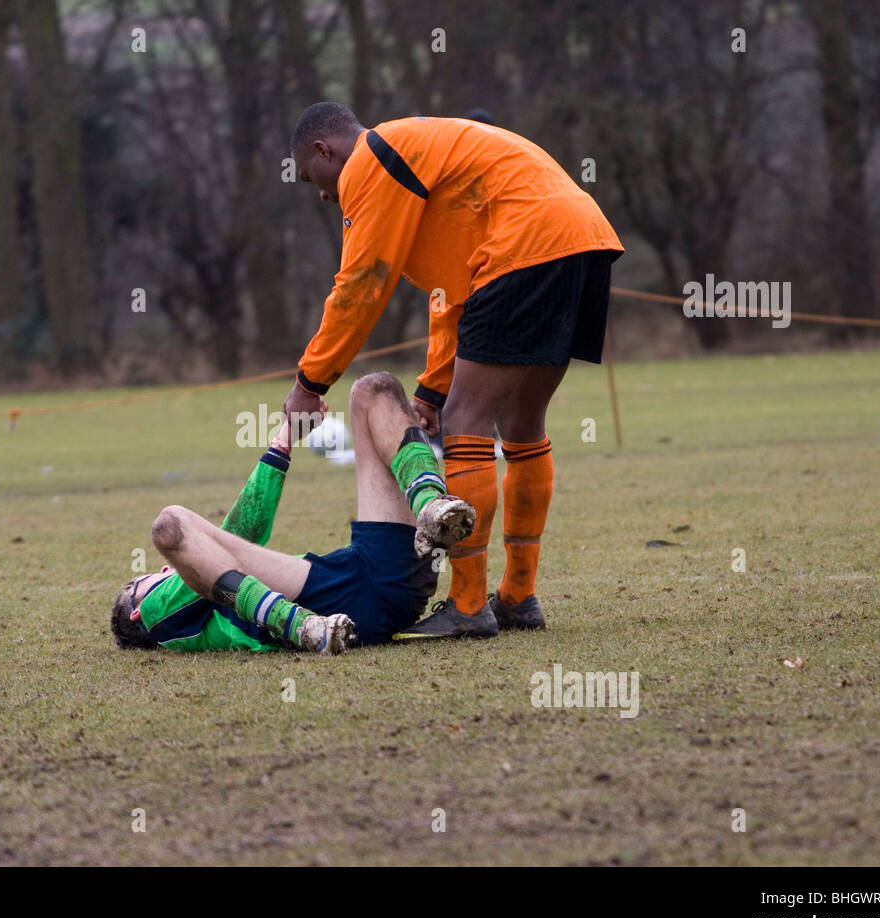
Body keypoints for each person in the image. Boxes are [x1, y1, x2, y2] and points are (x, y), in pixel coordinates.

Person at [282, 104, 624, 639]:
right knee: (523, 424)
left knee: (469, 420)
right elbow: (456, 294)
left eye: (310, 177)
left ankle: (468, 605)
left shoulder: (372, 158)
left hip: (527, 247)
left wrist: (310, 383)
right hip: (584, 238)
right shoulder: (422, 159)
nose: (322, 194)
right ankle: (517, 597)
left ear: (325, 151)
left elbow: (362, 285)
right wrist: (432, 388)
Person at [110, 372, 476, 653]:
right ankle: (299, 626)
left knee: (374, 389)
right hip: (340, 606)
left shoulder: (207, 585)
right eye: (146, 582)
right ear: (139, 611)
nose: (163, 570)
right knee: (167, 526)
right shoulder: (159, 619)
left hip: (379, 577)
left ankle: (430, 503)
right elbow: (238, 533)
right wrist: (284, 439)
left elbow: (241, 537)